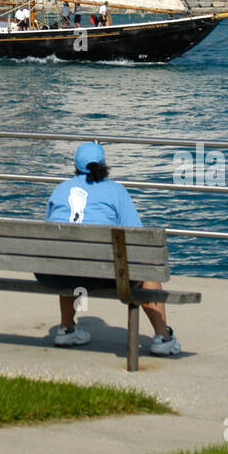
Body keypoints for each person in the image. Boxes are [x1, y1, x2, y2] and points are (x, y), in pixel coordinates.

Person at [40, 141, 181, 356]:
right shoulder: (116, 191)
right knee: (146, 264)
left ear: (75, 165)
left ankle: (67, 328)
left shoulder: (60, 190)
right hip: (104, 275)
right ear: (104, 165)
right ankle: (163, 337)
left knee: (69, 256)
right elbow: (138, 237)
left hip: (56, 274)